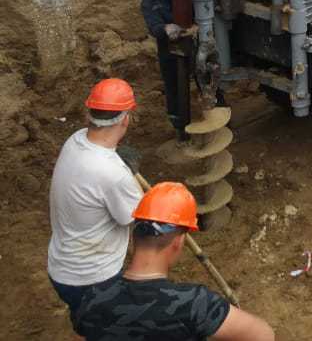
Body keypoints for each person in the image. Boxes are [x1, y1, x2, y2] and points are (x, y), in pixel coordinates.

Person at [74, 182, 275, 340]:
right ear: (179, 242)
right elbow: (263, 335)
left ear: (134, 236)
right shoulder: (195, 304)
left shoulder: (93, 297)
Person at [48, 78, 144, 316]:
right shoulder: (112, 173)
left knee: (86, 323)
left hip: (62, 268)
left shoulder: (76, 140)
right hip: (93, 278)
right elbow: (137, 217)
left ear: (89, 116)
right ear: (125, 118)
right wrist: (130, 181)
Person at [139, 0, 188, 140]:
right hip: (170, 47)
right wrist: (166, 29)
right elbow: (153, 26)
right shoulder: (149, 2)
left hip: (195, 38)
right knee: (173, 85)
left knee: (206, 74)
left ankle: (218, 111)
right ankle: (179, 127)